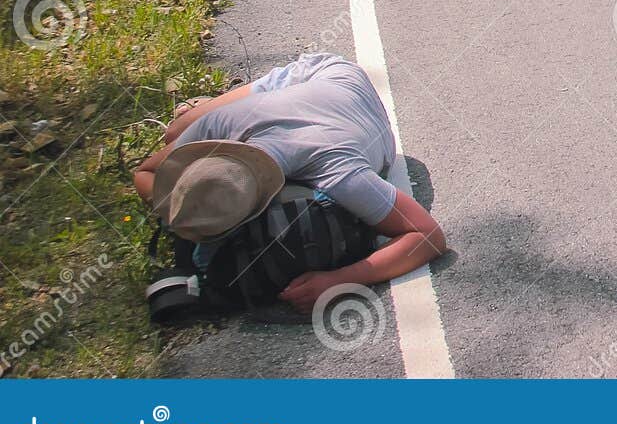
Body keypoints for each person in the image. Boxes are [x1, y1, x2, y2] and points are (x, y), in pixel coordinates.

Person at [133, 52, 445, 313]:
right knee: (176, 131)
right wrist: (190, 209)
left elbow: (428, 235)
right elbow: (143, 174)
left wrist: (342, 279)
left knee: (179, 132)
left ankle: (209, 103)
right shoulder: (218, 125)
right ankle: (194, 110)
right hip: (286, 107)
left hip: (329, 75)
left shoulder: (336, 169)